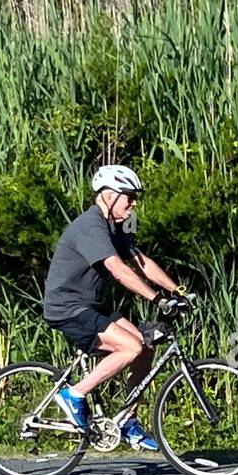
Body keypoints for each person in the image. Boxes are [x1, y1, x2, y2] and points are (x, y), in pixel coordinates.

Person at [42, 165, 186, 450]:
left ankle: (127, 420)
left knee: (145, 347)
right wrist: (157, 299)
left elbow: (140, 260)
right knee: (130, 348)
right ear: (108, 195)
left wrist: (176, 291)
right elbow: (118, 270)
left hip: (91, 306)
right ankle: (74, 394)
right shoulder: (90, 226)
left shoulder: (113, 227)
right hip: (68, 308)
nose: (133, 203)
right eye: (129, 196)